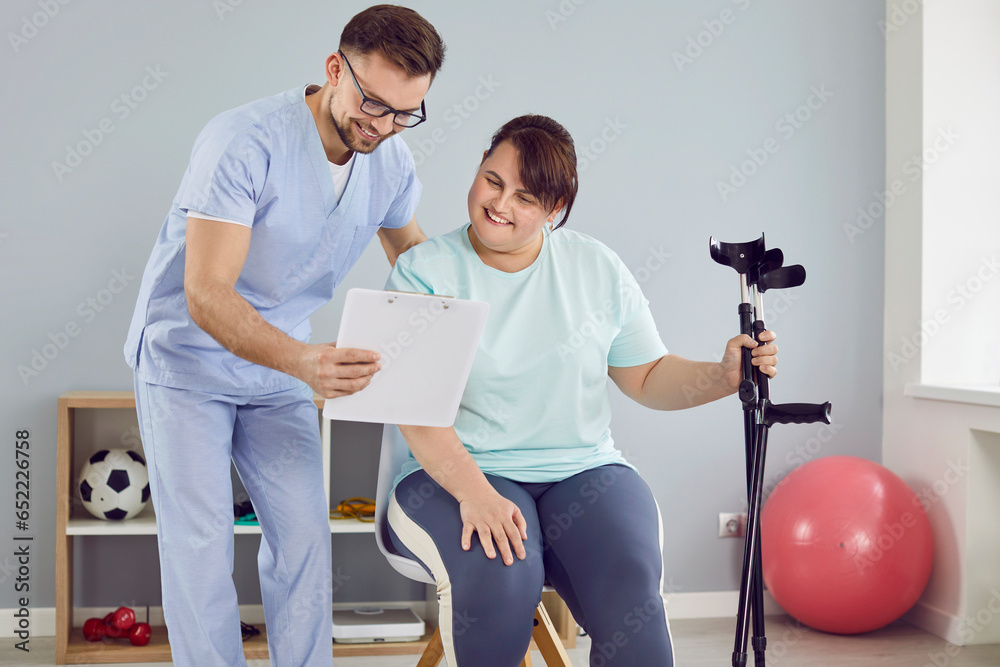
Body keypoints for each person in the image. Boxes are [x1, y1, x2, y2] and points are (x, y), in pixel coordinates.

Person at [383, 115, 779, 666]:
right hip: (455, 474)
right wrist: (477, 495)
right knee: (501, 575)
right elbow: (417, 411)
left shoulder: (595, 267)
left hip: (583, 471)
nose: (500, 204)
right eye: (492, 181)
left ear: (555, 210)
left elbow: (645, 375)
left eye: (526, 197)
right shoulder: (424, 272)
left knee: (629, 580)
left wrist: (723, 375)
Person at [122, 6, 445, 666]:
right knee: (201, 548)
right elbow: (206, 293)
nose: (381, 126)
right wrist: (304, 360)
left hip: (280, 372)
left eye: (403, 113)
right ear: (335, 69)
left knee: (303, 540)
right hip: (188, 362)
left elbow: (416, 264)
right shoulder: (242, 141)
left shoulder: (390, 159)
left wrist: (466, 321)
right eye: (373, 102)